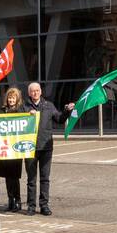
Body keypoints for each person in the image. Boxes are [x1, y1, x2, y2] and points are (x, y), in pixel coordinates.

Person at [22, 81, 75, 216]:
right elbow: (16, 121)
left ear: (41, 92)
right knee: (31, 179)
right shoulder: (24, 107)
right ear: (29, 93)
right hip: (30, 147)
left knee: (45, 178)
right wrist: (27, 115)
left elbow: (60, 119)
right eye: (32, 91)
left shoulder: (48, 105)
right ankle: (31, 206)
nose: (35, 93)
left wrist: (67, 111)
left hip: (46, 147)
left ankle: (44, 205)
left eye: (37, 90)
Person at [0, 86, 25, 212]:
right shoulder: (2, 110)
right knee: (7, 176)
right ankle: (10, 200)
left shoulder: (21, 111)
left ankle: (17, 201)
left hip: (15, 148)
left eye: (13, 97)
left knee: (14, 176)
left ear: (17, 99)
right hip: (4, 147)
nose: (11, 100)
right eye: (9, 97)